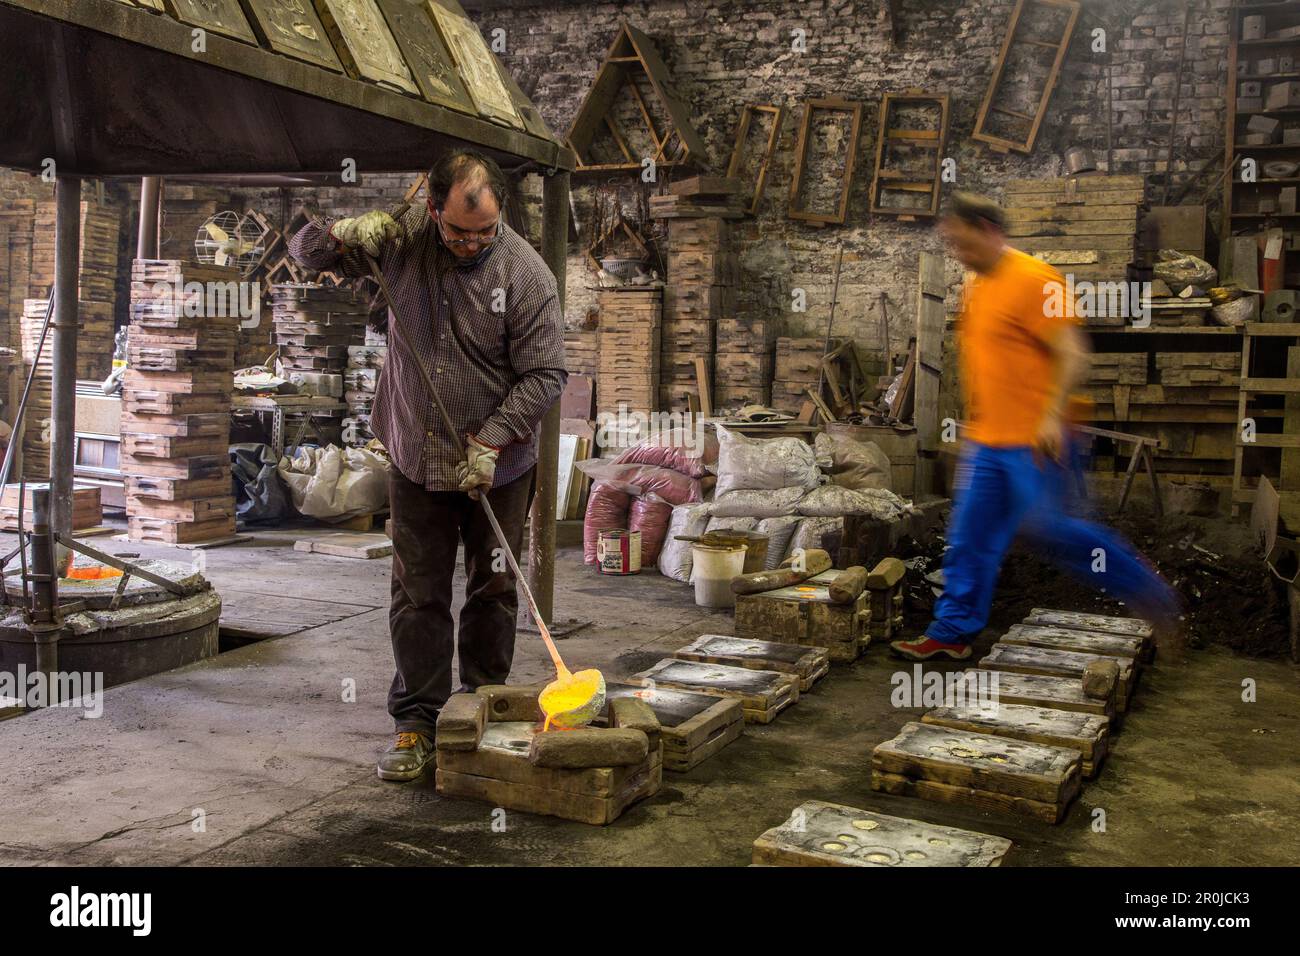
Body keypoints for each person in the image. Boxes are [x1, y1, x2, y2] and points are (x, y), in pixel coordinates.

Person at [291, 150, 567, 779]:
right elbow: (307, 254)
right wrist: (339, 233)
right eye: (457, 231)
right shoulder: (400, 241)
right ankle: (417, 723)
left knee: (493, 587)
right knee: (418, 592)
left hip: (498, 465)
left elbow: (547, 374)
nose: (471, 245)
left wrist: (493, 438)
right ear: (433, 207)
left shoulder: (526, 276)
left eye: (485, 232)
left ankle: (482, 709)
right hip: (416, 454)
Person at [891, 192, 1179, 662]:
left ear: (988, 230)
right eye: (954, 247)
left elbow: (1071, 352)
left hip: (1039, 438)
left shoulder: (1035, 279)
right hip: (989, 441)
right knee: (969, 536)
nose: (960, 255)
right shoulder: (980, 287)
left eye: (964, 244)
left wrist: (1048, 415)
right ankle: (952, 632)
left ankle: (1155, 597)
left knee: (1051, 529)